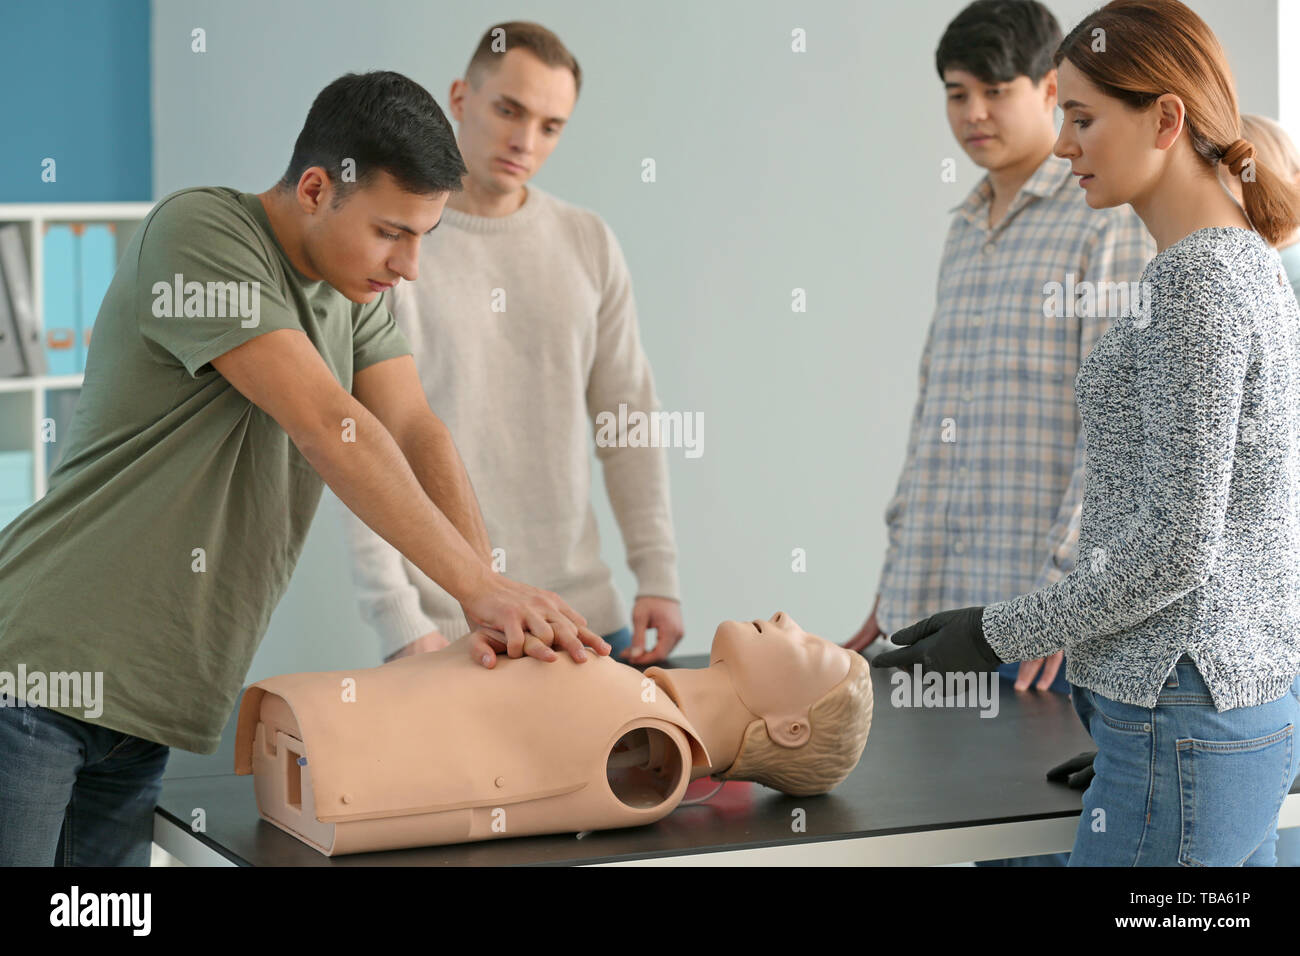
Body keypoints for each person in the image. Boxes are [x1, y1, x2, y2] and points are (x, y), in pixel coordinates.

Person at [0, 71, 606, 867]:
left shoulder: (355, 298)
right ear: (316, 189)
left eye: (424, 236)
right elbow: (330, 425)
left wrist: (477, 615)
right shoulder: (201, 231)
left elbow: (416, 428)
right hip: (34, 682)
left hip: (146, 716)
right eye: (393, 231)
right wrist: (479, 588)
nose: (411, 265)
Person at [876, 0, 1300, 866]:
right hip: (1204, 713)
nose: (1063, 142)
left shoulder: (1196, 285)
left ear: (1166, 119)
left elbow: (1180, 548)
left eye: (1080, 117)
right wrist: (1127, 724)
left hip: (1182, 713)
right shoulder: (1247, 263)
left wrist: (1000, 633)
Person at [845, 0, 1155, 865]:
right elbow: (931, 412)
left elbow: (1116, 434)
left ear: (1050, 88)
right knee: (939, 840)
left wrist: (1058, 602)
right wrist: (893, 581)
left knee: (1031, 846)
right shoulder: (961, 230)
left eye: (994, 89)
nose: (973, 113)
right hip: (939, 613)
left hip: (1036, 637)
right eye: (955, 93)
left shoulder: (1105, 218)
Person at [342, 22, 685, 667]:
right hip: (448, 631)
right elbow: (362, 441)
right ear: (460, 99)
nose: (525, 140)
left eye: (551, 126)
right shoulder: (393, 245)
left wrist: (657, 574)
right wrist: (398, 617)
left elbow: (628, 417)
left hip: (581, 621)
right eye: (509, 110)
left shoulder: (587, 241)